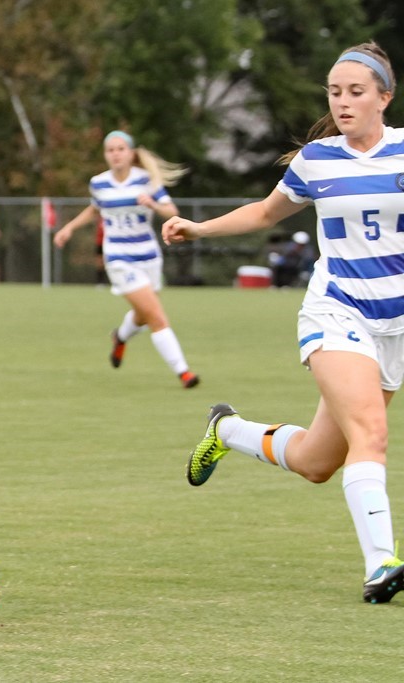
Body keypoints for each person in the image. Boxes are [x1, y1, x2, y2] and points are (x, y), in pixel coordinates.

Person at [163, 43, 404, 604]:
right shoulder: (317, 159)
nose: (342, 102)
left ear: (384, 97)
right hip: (337, 311)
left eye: (356, 92)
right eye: (334, 91)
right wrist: (199, 229)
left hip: (395, 326)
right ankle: (381, 565)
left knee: (318, 461)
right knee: (371, 433)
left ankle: (227, 431)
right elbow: (267, 212)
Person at [53, 130, 200, 388]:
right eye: (110, 150)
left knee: (143, 315)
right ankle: (184, 372)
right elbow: (95, 209)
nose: (115, 154)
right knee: (156, 316)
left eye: (120, 149)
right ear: (106, 155)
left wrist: (153, 204)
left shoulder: (147, 180)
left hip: (148, 256)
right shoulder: (98, 183)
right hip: (119, 259)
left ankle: (119, 337)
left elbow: (172, 211)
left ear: (131, 153)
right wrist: (69, 228)